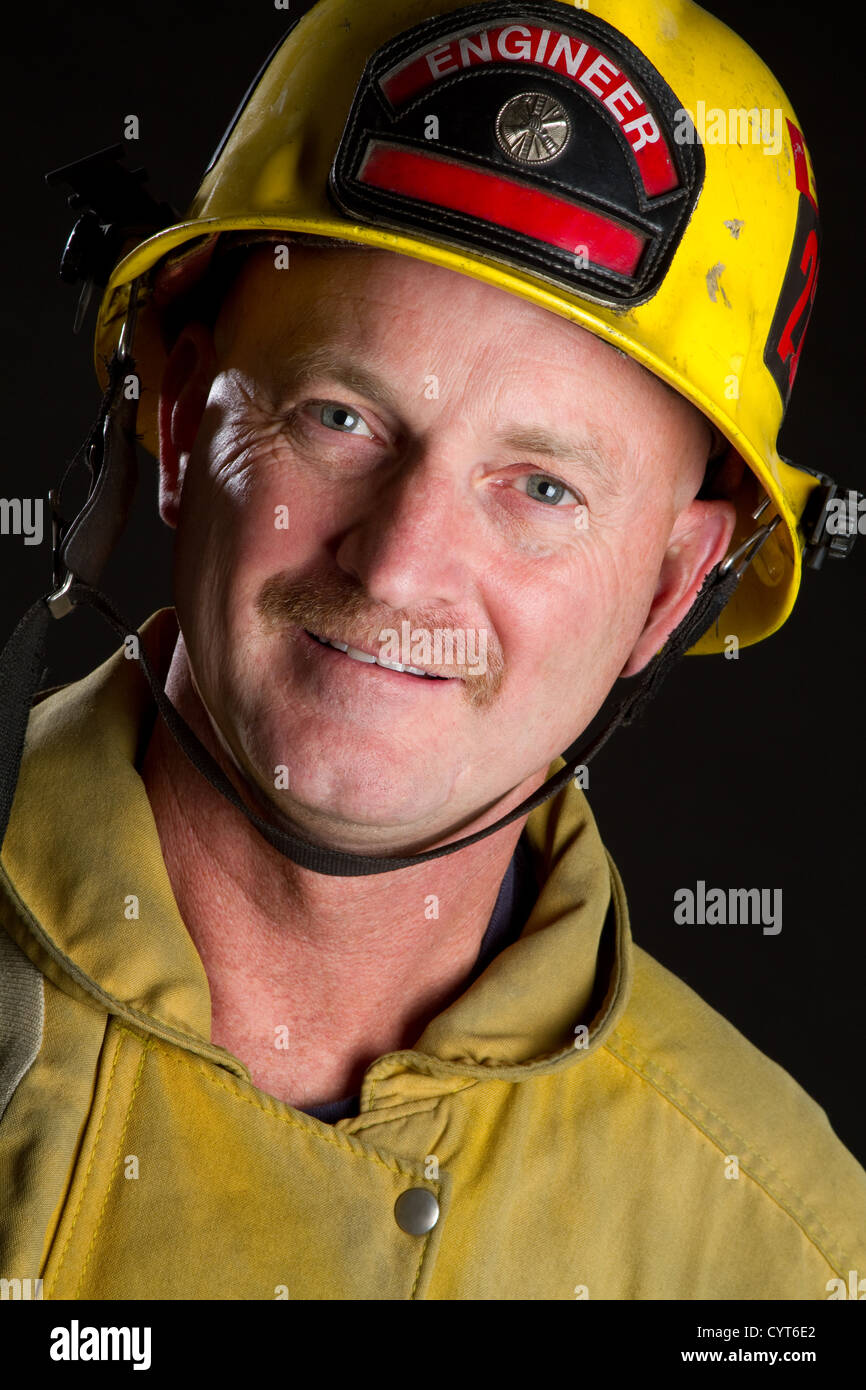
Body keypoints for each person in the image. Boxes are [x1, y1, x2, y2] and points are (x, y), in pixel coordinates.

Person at [0, 0, 863, 1301]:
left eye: (541, 489)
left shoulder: (779, 1248)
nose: (398, 563)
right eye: (339, 415)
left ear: (669, 589)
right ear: (177, 420)